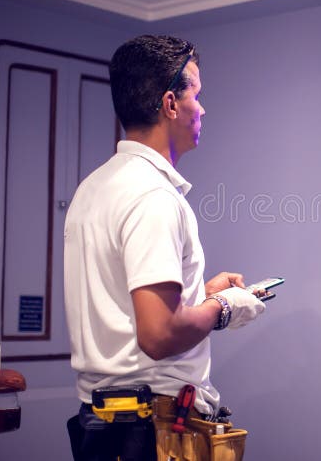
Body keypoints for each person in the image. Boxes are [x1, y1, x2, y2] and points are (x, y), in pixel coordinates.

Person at [63, 35, 265, 460]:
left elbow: (127, 308)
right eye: (198, 93)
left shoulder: (93, 188)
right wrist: (224, 308)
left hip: (102, 424)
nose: (203, 108)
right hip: (152, 432)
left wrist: (199, 295)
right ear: (171, 104)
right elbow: (158, 334)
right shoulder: (153, 196)